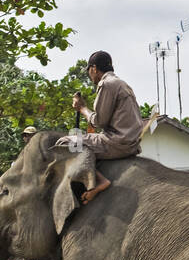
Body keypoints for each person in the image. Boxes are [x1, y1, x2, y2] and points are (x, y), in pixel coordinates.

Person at [61, 50, 144, 203]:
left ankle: (99, 181)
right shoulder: (122, 83)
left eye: (89, 71)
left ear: (93, 68)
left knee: (66, 142)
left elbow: (99, 121)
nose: (89, 75)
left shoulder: (106, 83)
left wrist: (82, 108)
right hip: (132, 142)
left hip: (117, 141)